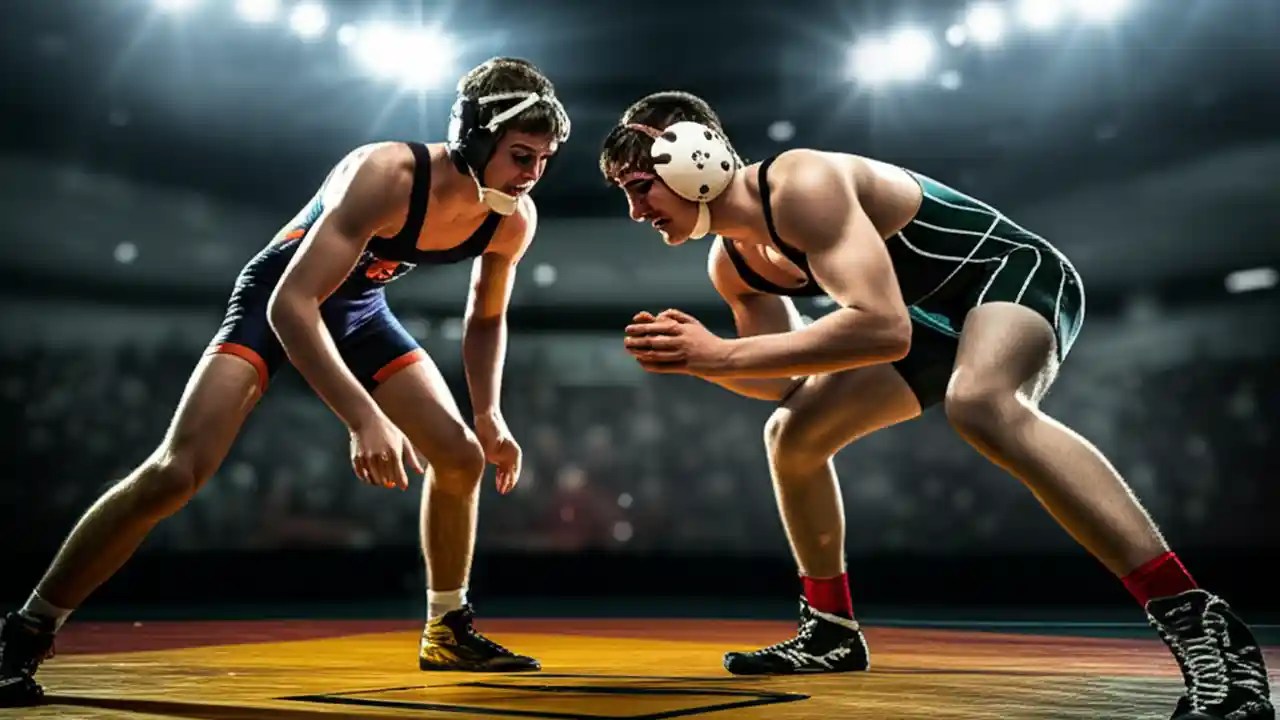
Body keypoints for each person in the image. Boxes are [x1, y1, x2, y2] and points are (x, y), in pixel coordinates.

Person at [598, 91, 1273, 720]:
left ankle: (1199, 620)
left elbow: (881, 328)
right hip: (925, 318)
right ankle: (830, 630)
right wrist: (704, 362)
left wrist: (720, 356)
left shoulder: (800, 181)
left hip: (1007, 273)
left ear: (694, 151)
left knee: (980, 402)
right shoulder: (732, 263)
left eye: (638, 187)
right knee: (792, 433)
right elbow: (786, 380)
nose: (636, 213)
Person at [0, 56, 571, 707]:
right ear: (474, 137)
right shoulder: (386, 173)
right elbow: (290, 304)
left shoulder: (511, 219)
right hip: (278, 298)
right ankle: (23, 631)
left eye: (544, 160)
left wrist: (490, 413)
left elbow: (487, 317)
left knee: (461, 454)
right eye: (523, 156)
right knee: (176, 472)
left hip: (357, 308)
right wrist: (362, 416)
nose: (533, 176)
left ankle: (447, 628)